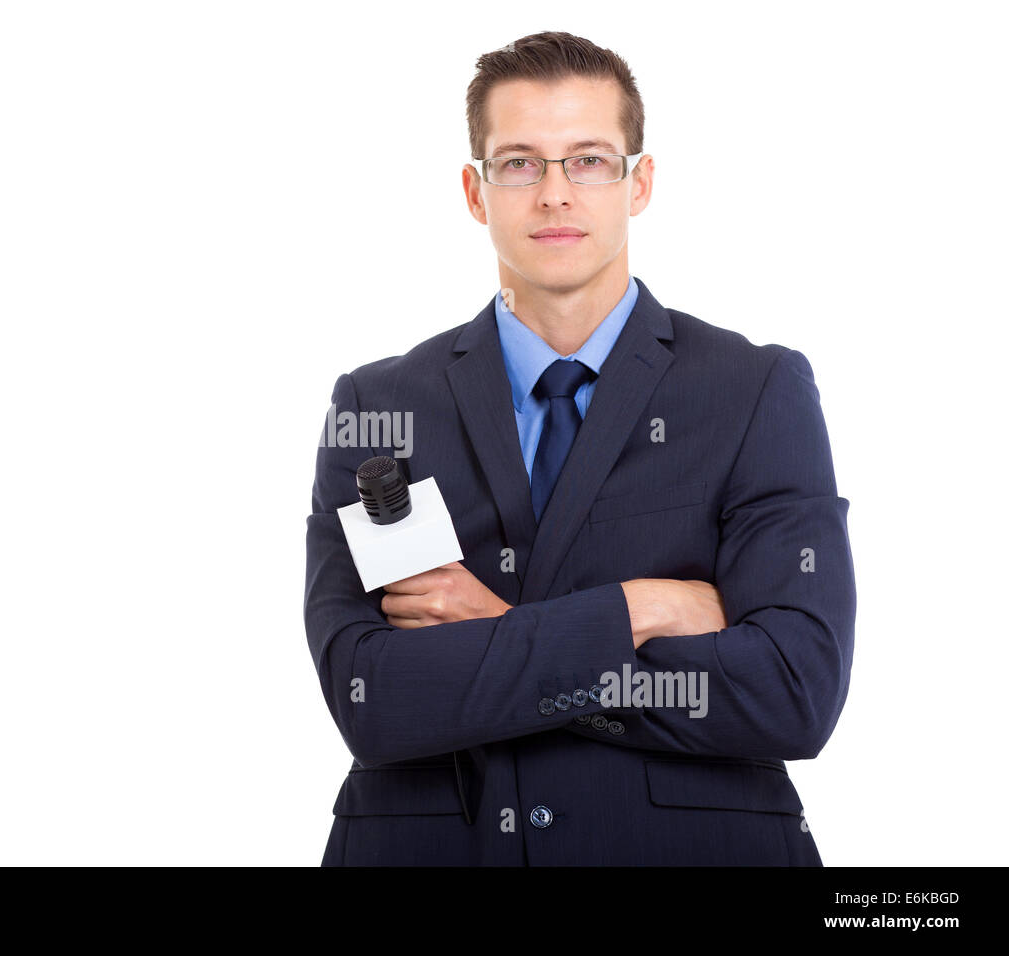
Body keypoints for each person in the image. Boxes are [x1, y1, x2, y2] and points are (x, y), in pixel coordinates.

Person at [303, 31, 855, 866]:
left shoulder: (753, 391)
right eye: (519, 163)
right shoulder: (381, 408)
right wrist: (641, 607)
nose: (555, 194)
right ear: (474, 191)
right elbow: (375, 698)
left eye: (589, 160)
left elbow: (792, 690)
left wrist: (493, 627)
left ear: (640, 183)